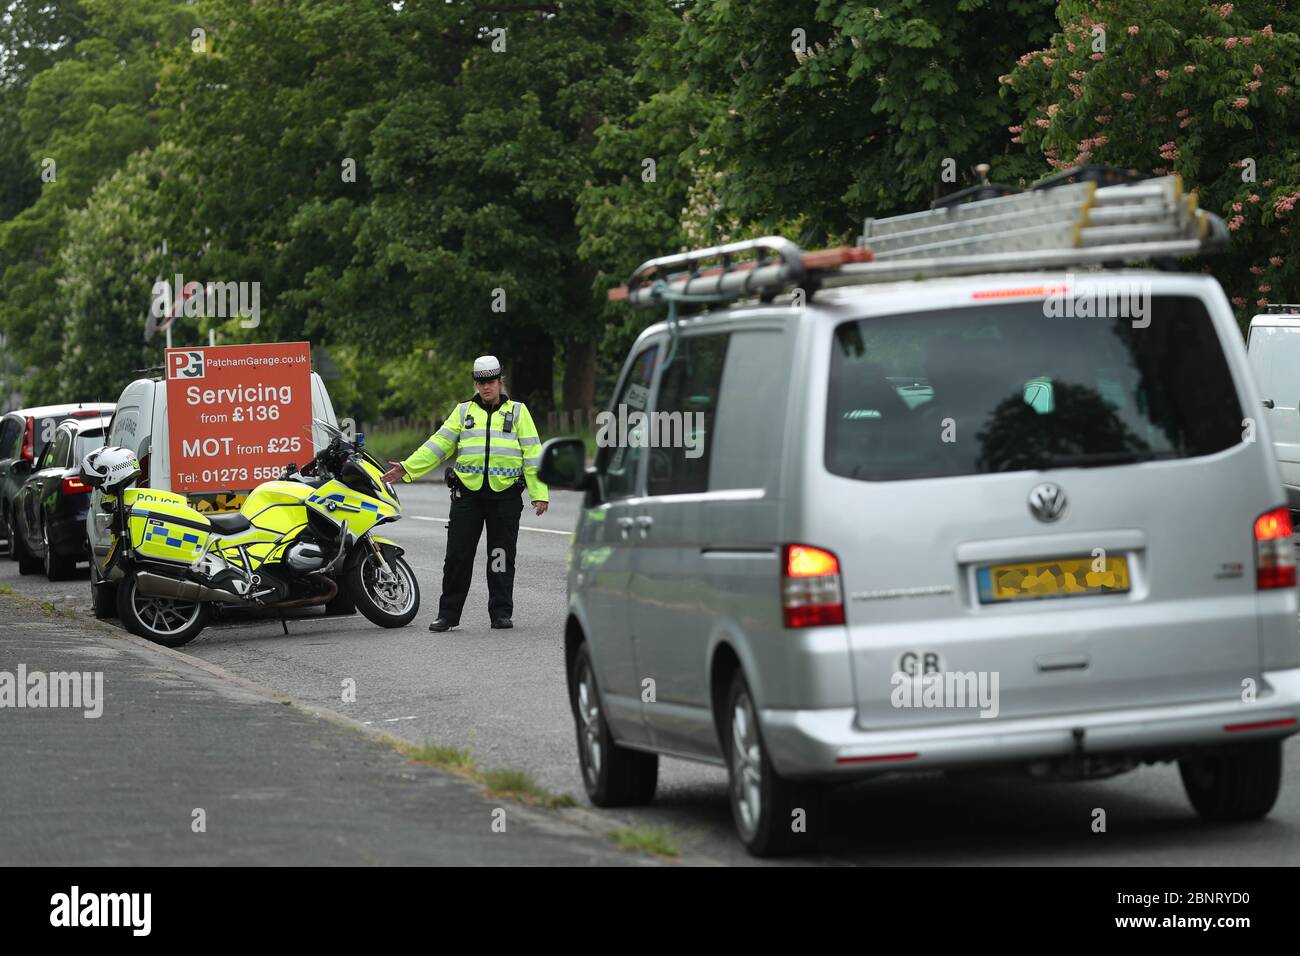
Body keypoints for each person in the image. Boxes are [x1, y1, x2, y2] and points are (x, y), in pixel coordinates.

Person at [382, 356, 548, 632]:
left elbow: (532, 454)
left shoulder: (518, 412)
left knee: (501, 556)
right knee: (457, 555)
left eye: (491, 382)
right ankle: (448, 615)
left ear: (500, 382)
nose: (486, 388)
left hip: (505, 496)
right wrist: (408, 468)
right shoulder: (463, 412)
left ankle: (500, 613)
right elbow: (438, 445)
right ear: (476, 384)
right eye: (481, 383)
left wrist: (539, 493)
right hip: (467, 496)